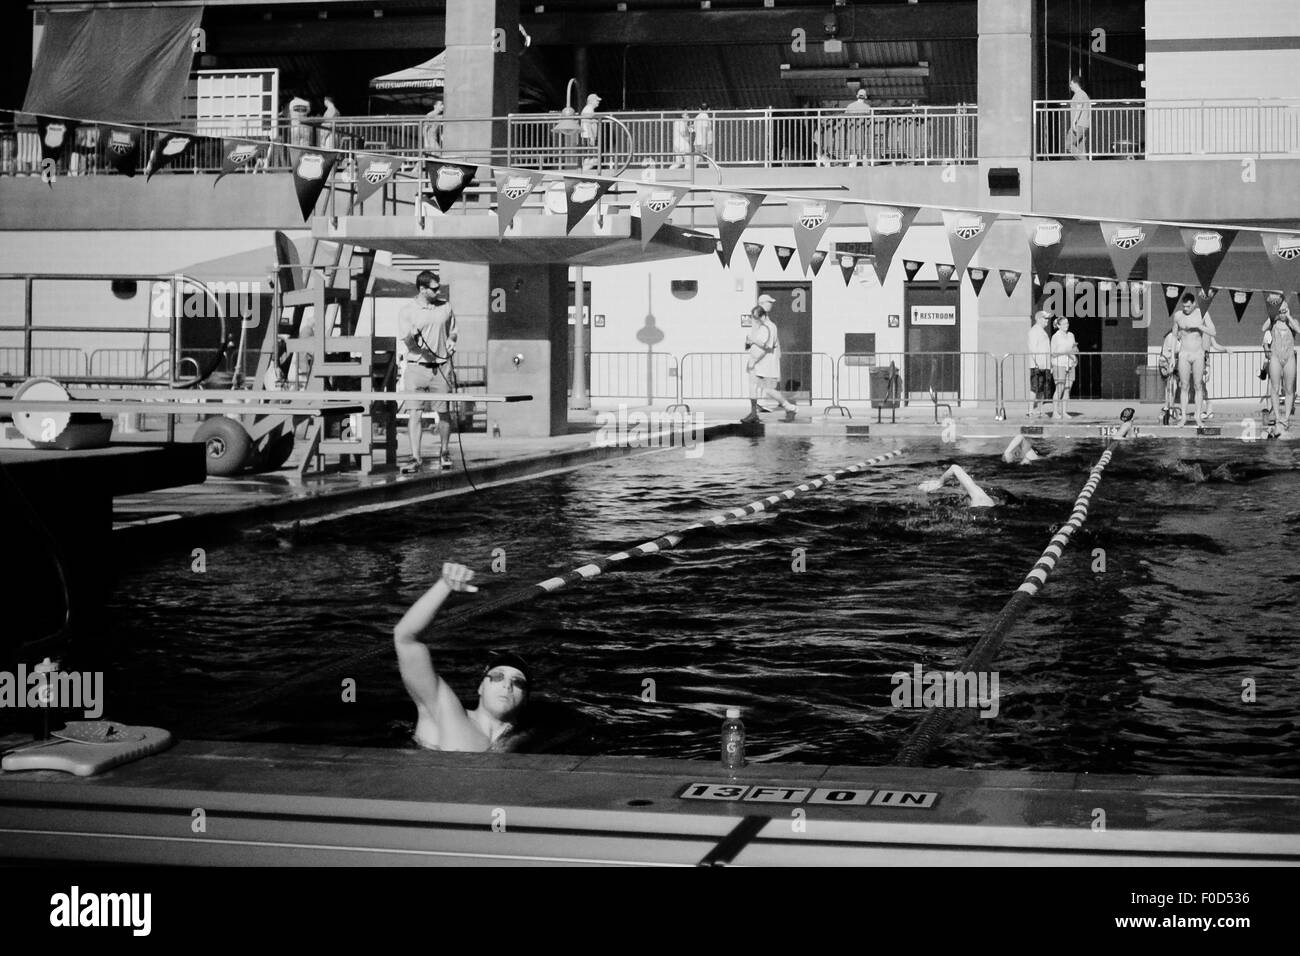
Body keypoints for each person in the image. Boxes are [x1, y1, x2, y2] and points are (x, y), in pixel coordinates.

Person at [394, 562, 533, 752]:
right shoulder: (444, 710)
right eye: (498, 676)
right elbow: (405, 638)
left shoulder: (522, 740)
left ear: (525, 698)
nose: (506, 685)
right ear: (480, 686)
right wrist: (444, 586)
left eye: (518, 682)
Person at [397, 270, 459, 472]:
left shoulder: (445, 307)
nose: (438, 290)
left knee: (443, 412)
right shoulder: (407, 311)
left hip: (441, 367)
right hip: (416, 368)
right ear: (423, 289)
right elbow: (406, 341)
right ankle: (415, 457)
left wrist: (451, 342)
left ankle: (444, 452)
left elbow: (453, 332)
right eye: (434, 288)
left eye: (438, 286)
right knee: (415, 413)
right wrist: (413, 337)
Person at [741, 294, 798, 424]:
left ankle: (790, 408)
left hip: (764, 363)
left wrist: (754, 355)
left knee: (768, 390)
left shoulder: (769, 326)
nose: (771, 304)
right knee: (754, 387)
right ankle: (754, 413)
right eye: (769, 302)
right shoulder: (762, 325)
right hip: (758, 362)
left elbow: (767, 345)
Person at [1173, 292, 1217, 427]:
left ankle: (1198, 417)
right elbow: (1174, 335)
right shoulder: (1178, 316)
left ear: (1194, 304)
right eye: (1184, 306)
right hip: (1184, 354)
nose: (1185, 309)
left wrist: (1199, 326)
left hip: (1198, 354)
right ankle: (1183, 418)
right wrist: (1171, 358)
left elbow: (1213, 331)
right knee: (1184, 386)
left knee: (1198, 386)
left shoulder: (1202, 313)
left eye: (1188, 306)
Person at [1263, 299, 1300, 432]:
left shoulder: (1292, 322)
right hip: (1275, 357)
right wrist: (1273, 315)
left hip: (1289, 357)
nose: (1283, 313)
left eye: (1285, 310)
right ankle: (1278, 416)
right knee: (1275, 387)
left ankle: (1286, 417)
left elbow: (1299, 330)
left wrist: (1289, 316)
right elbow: (1263, 328)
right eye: (1281, 311)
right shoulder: (1273, 321)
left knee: (1289, 388)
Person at [1050, 315, 1079, 420]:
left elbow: (1075, 348)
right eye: (1064, 324)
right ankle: (1055, 412)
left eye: (1067, 323)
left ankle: (1064, 411)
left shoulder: (1071, 335)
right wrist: (1066, 352)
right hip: (1059, 364)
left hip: (1070, 364)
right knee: (1059, 388)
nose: (1066, 325)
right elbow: (1053, 353)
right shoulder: (1055, 337)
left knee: (1067, 388)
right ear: (1058, 325)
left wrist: (1074, 353)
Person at [1027, 309, 1054, 417]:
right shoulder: (1034, 331)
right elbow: (1033, 348)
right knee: (1034, 388)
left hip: (1044, 364)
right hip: (1037, 365)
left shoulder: (1042, 332)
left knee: (1042, 388)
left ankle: (1040, 409)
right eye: (1045, 318)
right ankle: (1030, 410)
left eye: (1048, 318)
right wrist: (1038, 363)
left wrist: (1049, 364)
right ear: (1038, 319)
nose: (1047, 321)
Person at [844, 89, 873, 166]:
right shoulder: (867, 107)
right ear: (865, 97)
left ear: (857, 96)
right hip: (863, 130)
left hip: (852, 129)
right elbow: (869, 120)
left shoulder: (850, 106)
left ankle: (853, 164)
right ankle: (865, 164)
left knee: (852, 146)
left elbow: (845, 118)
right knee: (864, 146)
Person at [1066, 74, 1091, 160]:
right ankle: (1084, 168)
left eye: (1071, 84)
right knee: (1080, 149)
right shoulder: (1083, 94)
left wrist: (1074, 122)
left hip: (1079, 125)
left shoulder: (1080, 94)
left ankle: (1086, 164)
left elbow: (1079, 106)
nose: (1070, 86)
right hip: (1083, 125)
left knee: (1068, 145)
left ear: (1075, 83)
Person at [580, 93, 601, 169]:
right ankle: (585, 169)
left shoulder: (588, 109)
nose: (598, 102)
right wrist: (591, 136)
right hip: (588, 134)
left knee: (590, 154)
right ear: (592, 101)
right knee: (591, 155)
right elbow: (587, 123)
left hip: (587, 134)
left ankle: (586, 167)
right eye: (597, 100)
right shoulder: (589, 109)